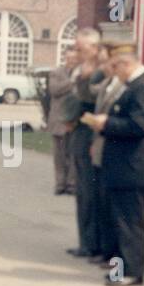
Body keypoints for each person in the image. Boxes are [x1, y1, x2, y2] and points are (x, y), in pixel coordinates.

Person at [81, 41, 144, 286]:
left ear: (126, 64)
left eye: (116, 67)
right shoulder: (134, 86)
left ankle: (132, 272)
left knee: (130, 224)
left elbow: (140, 125)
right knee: (121, 222)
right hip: (125, 166)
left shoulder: (143, 87)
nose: (114, 72)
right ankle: (121, 270)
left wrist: (106, 123)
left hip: (134, 167)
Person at [63, 29, 103, 259]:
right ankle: (85, 241)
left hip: (89, 137)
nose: (76, 52)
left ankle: (92, 244)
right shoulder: (80, 70)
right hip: (78, 135)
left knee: (90, 192)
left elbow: (92, 104)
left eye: (81, 48)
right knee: (82, 193)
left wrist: (76, 118)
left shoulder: (96, 73)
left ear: (94, 49)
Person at [87, 45, 122, 267]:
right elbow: (89, 90)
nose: (103, 67)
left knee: (113, 206)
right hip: (99, 147)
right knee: (101, 202)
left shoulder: (121, 86)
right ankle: (104, 249)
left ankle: (114, 254)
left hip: (113, 151)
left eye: (105, 62)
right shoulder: (107, 84)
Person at [46, 48, 79, 195]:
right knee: (59, 155)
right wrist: (72, 82)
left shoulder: (82, 73)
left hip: (75, 119)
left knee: (73, 153)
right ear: (65, 58)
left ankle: (72, 184)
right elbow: (54, 90)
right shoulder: (56, 73)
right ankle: (60, 183)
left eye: (74, 58)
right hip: (58, 119)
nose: (72, 61)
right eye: (69, 58)